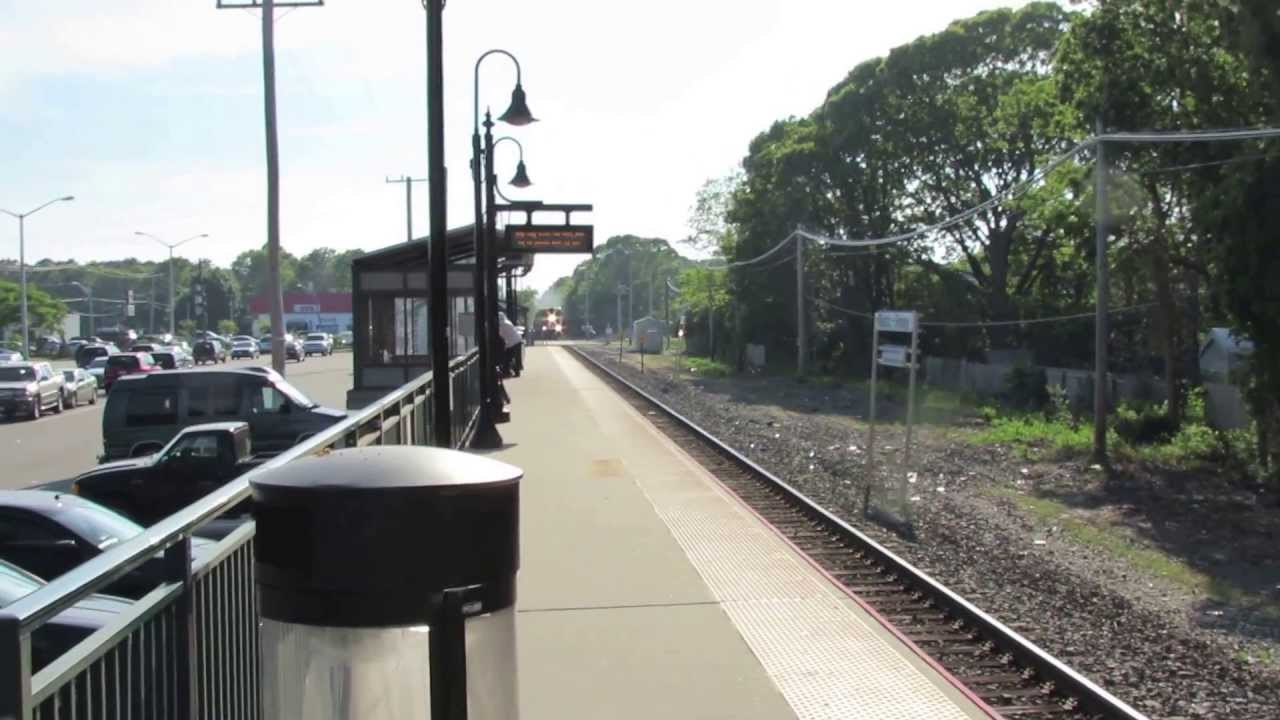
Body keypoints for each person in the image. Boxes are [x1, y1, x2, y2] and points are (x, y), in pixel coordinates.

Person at [497, 311, 523, 378]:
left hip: (512, 343)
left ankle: (507, 372)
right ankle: (516, 371)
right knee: (516, 357)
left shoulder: (502, 324)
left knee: (507, 358)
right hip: (517, 340)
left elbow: (500, 334)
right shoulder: (507, 322)